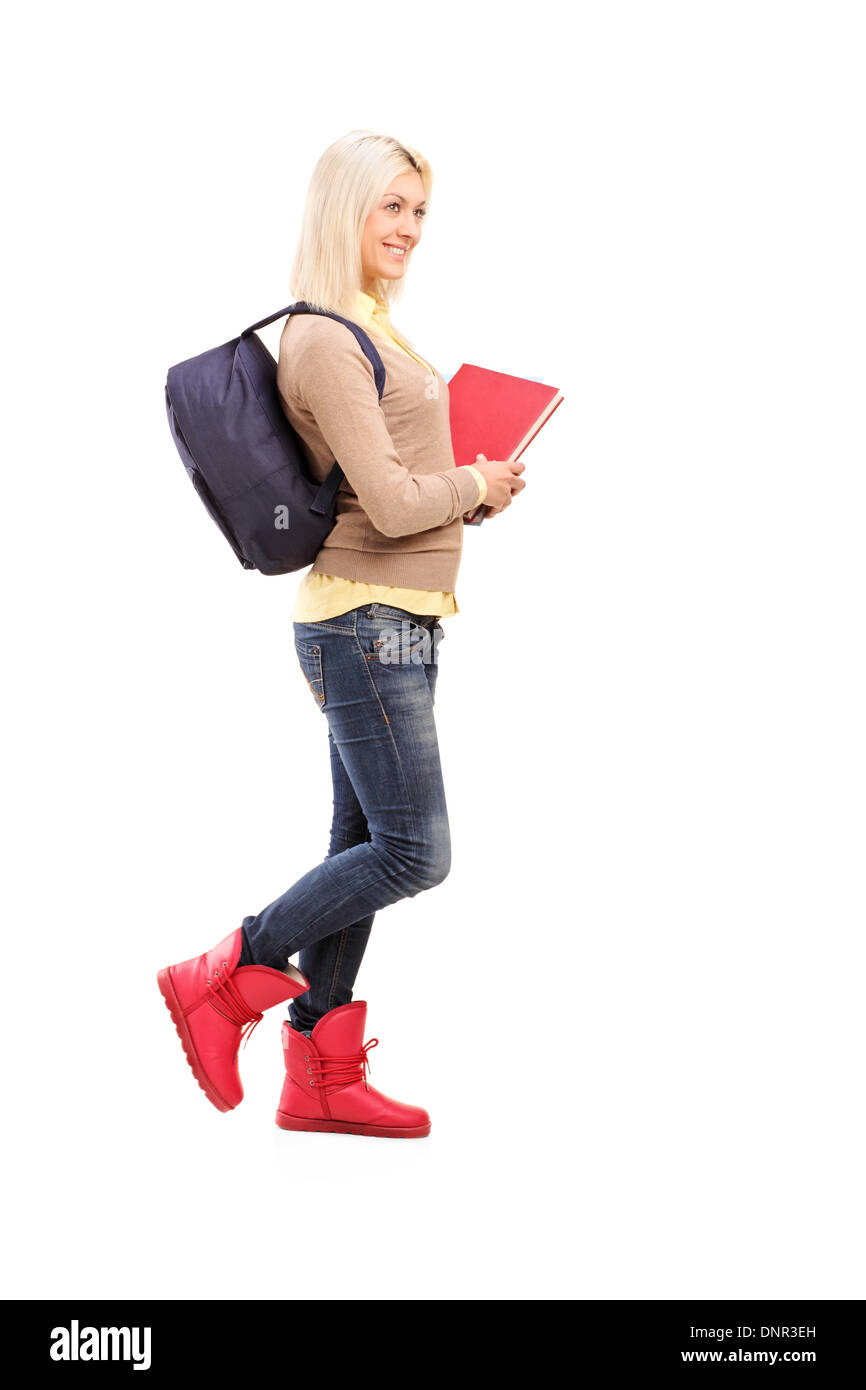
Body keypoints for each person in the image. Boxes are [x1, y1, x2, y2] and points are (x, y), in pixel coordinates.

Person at [157, 129, 525, 1138]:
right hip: (362, 623)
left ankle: (317, 1072)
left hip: (398, 620)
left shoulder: (376, 325)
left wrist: (479, 495)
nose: (407, 228)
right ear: (343, 211)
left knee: (361, 842)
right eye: (389, 207)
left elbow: (407, 492)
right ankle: (226, 971)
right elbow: (393, 502)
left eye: (418, 211)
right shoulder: (325, 336)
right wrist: (469, 484)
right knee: (415, 849)